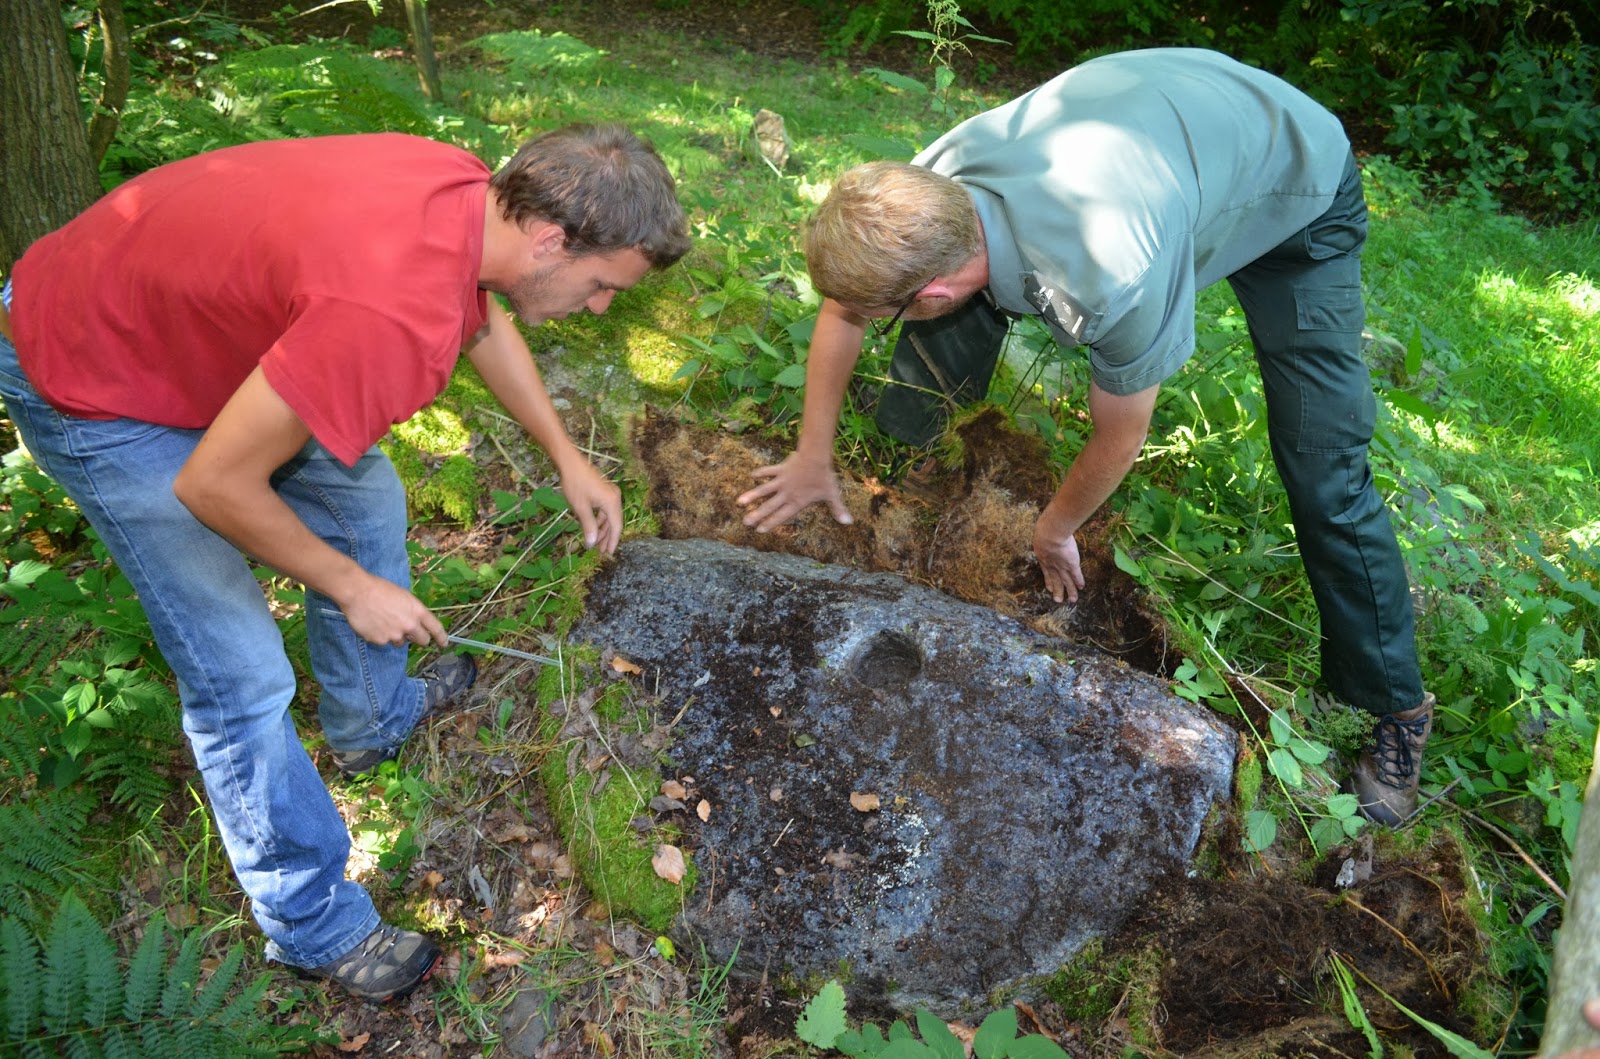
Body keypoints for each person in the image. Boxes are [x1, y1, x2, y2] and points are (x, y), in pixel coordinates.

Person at [0, 124, 689, 1000]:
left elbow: (480, 320)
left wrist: (566, 455)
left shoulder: (470, 195)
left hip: (182, 337)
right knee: (239, 675)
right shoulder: (383, 309)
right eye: (602, 287)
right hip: (88, 372)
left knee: (364, 499)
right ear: (551, 240)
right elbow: (212, 484)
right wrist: (349, 585)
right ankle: (312, 924)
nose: (600, 310)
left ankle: (372, 721)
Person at [736, 48, 1432, 828]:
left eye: (890, 309)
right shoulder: (920, 195)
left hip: (1292, 177)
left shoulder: (1107, 268)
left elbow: (1121, 434)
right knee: (953, 322)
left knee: (1323, 463)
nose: (866, 319)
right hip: (1179, 135)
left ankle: (1395, 706)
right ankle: (917, 477)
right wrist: (812, 452)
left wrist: (1056, 527)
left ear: (932, 287)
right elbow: (847, 308)